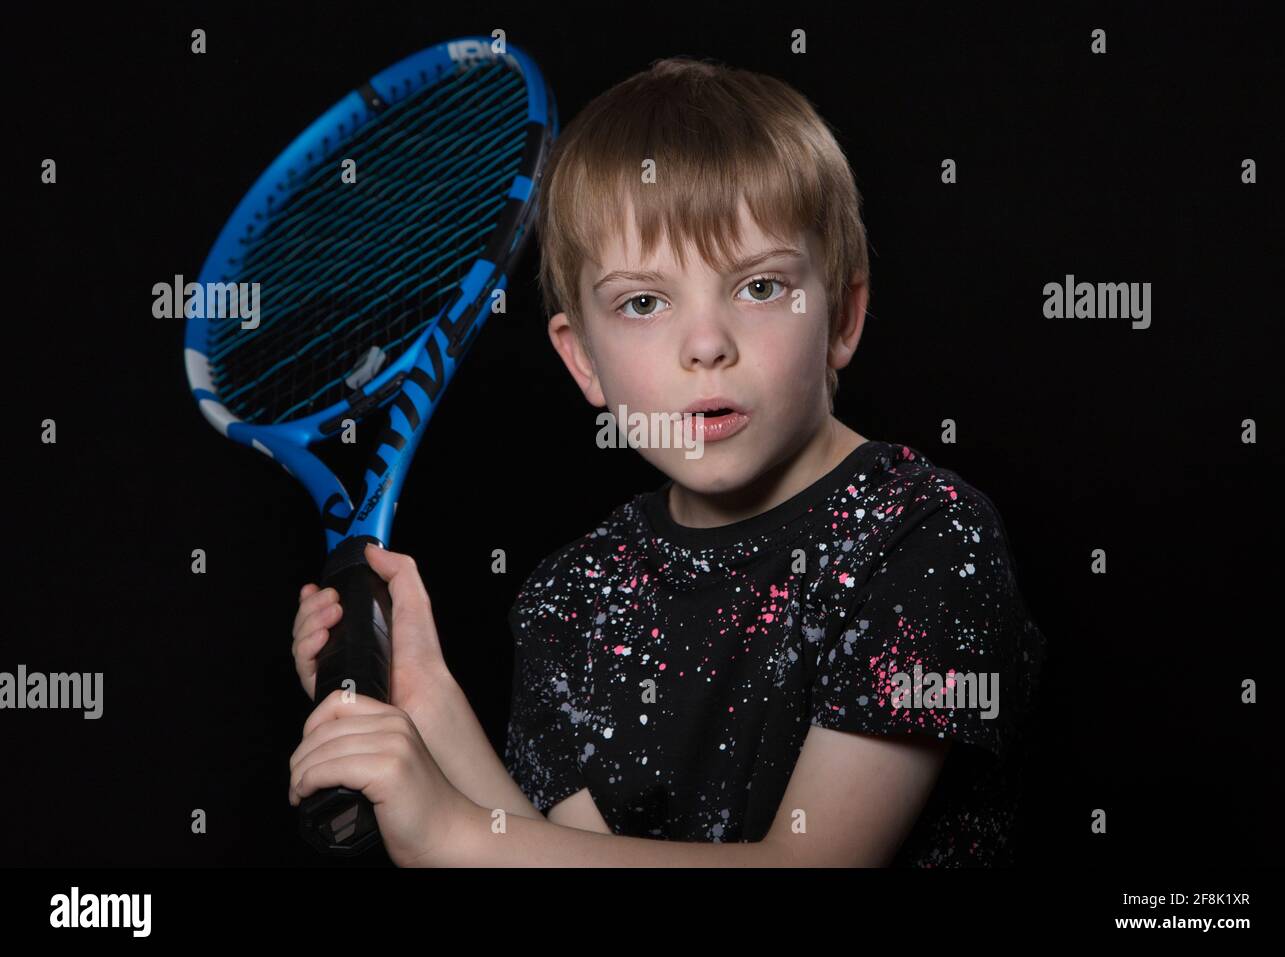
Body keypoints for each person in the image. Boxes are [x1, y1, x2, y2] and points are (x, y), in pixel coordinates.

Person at [287, 55, 1046, 867]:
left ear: (844, 317)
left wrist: (450, 832)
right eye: (643, 303)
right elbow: (563, 862)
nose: (707, 345)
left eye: (758, 287)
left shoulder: (924, 538)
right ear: (583, 362)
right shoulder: (570, 600)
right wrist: (426, 701)